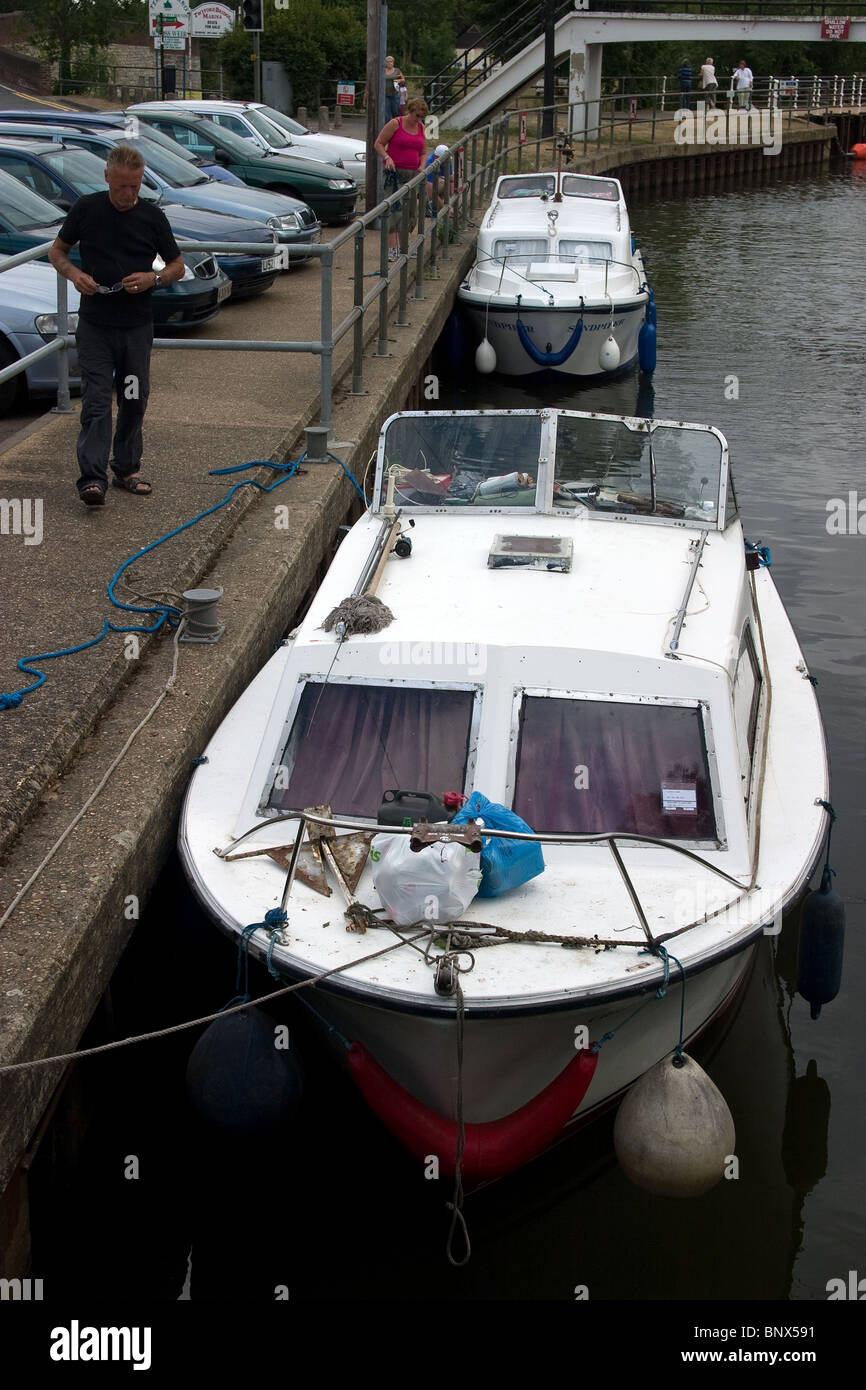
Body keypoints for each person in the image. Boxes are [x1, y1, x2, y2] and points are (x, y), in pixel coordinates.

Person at [48, 145, 184, 506]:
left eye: (135, 187)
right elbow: (57, 252)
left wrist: (154, 279)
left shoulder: (152, 218)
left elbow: (177, 267)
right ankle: (92, 479)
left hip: (135, 329)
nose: (128, 195)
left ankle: (126, 468)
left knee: (133, 398)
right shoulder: (87, 209)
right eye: (122, 186)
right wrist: (75, 274)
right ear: (107, 177)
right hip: (95, 327)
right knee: (96, 401)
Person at [374, 97, 429, 262]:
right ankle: (391, 249)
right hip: (395, 173)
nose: (418, 119)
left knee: (411, 212)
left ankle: (404, 248)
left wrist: (422, 167)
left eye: (421, 117)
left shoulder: (421, 127)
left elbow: (424, 152)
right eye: (416, 115)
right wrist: (387, 157)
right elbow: (378, 143)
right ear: (410, 112)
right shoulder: (395, 123)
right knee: (394, 211)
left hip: (413, 174)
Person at [425, 143, 452, 211]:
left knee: (446, 183)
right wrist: (446, 208)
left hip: (434, 182)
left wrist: (453, 201)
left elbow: (452, 179)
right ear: (436, 157)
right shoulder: (429, 165)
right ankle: (428, 206)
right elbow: (430, 192)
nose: (446, 161)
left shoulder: (447, 161)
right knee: (441, 184)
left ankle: (437, 206)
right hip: (423, 187)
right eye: (444, 159)